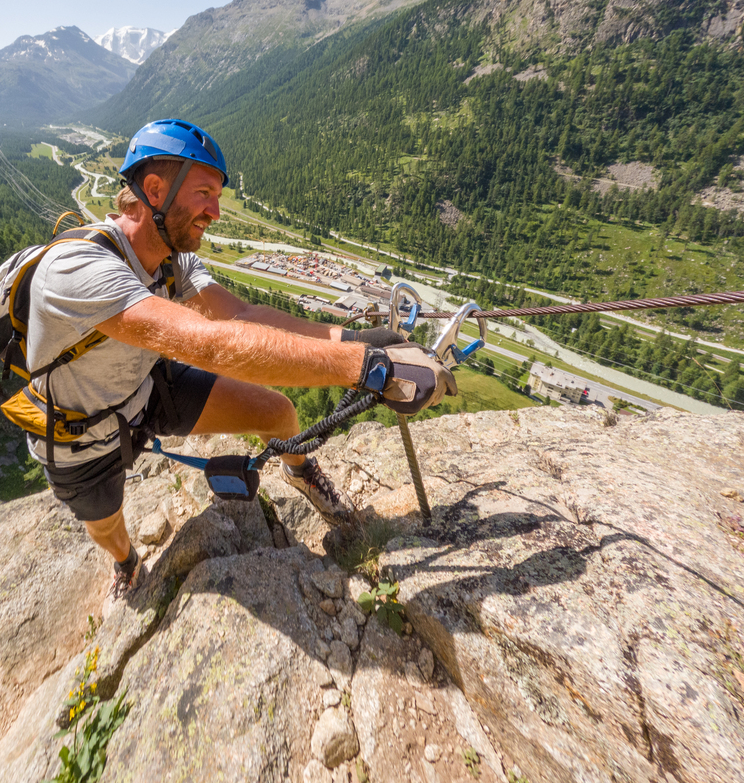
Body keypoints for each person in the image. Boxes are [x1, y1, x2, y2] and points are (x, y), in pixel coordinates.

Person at [23, 119, 453, 597]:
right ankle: (125, 561)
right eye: (205, 192)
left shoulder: (174, 258)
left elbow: (242, 314)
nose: (217, 212)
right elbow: (213, 344)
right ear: (153, 189)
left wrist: (353, 340)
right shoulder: (77, 268)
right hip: (77, 432)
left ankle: (301, 472)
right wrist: (369, 369)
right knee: (106, 523)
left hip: (145, 389)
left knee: (277, 413)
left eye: (220, 197)